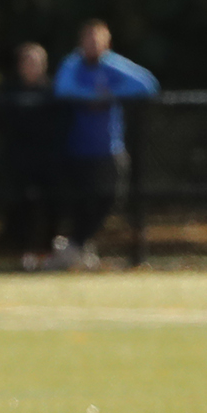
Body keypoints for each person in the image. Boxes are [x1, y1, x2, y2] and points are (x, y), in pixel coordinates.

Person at [52, 18, 158, 270]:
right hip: (77, 148)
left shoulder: (112, 66)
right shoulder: (73, 64)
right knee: (80, 202)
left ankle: (74, 245)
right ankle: (76, 247)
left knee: (109, 197)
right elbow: (62, 88)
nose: (92, 46)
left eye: (97, 41)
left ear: (107, 44)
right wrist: (92, 96)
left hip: (109, 148)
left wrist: (111, 93)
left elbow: (147, 85)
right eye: (88, 41)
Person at [2, 42, 67, 270]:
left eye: (36, 62)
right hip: (20, 161)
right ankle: (24, 253)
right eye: (27, 62)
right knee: (23, 206)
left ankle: (48, 252)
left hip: (48, 160)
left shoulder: (54, 92)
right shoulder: (9, 92)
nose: (32, 66)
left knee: (52, 205)